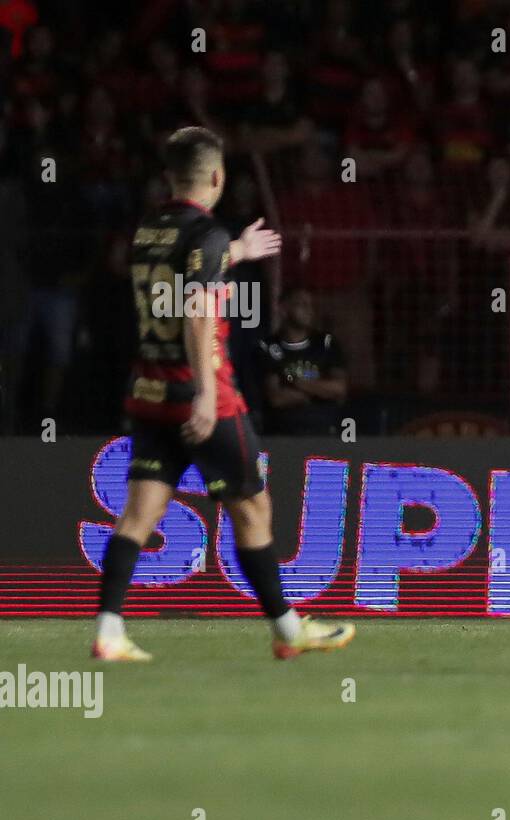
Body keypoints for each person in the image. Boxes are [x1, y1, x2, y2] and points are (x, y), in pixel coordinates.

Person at [92, 127, 354, 662]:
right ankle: (288, 630)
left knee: (140, 513)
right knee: (253, 506)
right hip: (201, 392)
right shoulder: (207, 233)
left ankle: (109, 630)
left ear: (170, 177)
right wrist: (207, 396)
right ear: (217, 177)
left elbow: (182, 273)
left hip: (149, 392)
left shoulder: (150, 230)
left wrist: (237, 250)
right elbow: (195, 309)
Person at [260, 288, 349, 436]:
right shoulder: (268, 347)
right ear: (284, 309)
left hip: (324, 432)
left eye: (310, 305)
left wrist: (296, 382)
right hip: (282, 435)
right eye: (301, 304)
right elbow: (276, 398)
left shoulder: (326, 343)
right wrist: (318, 393)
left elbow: (339, 389)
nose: (309, 310)